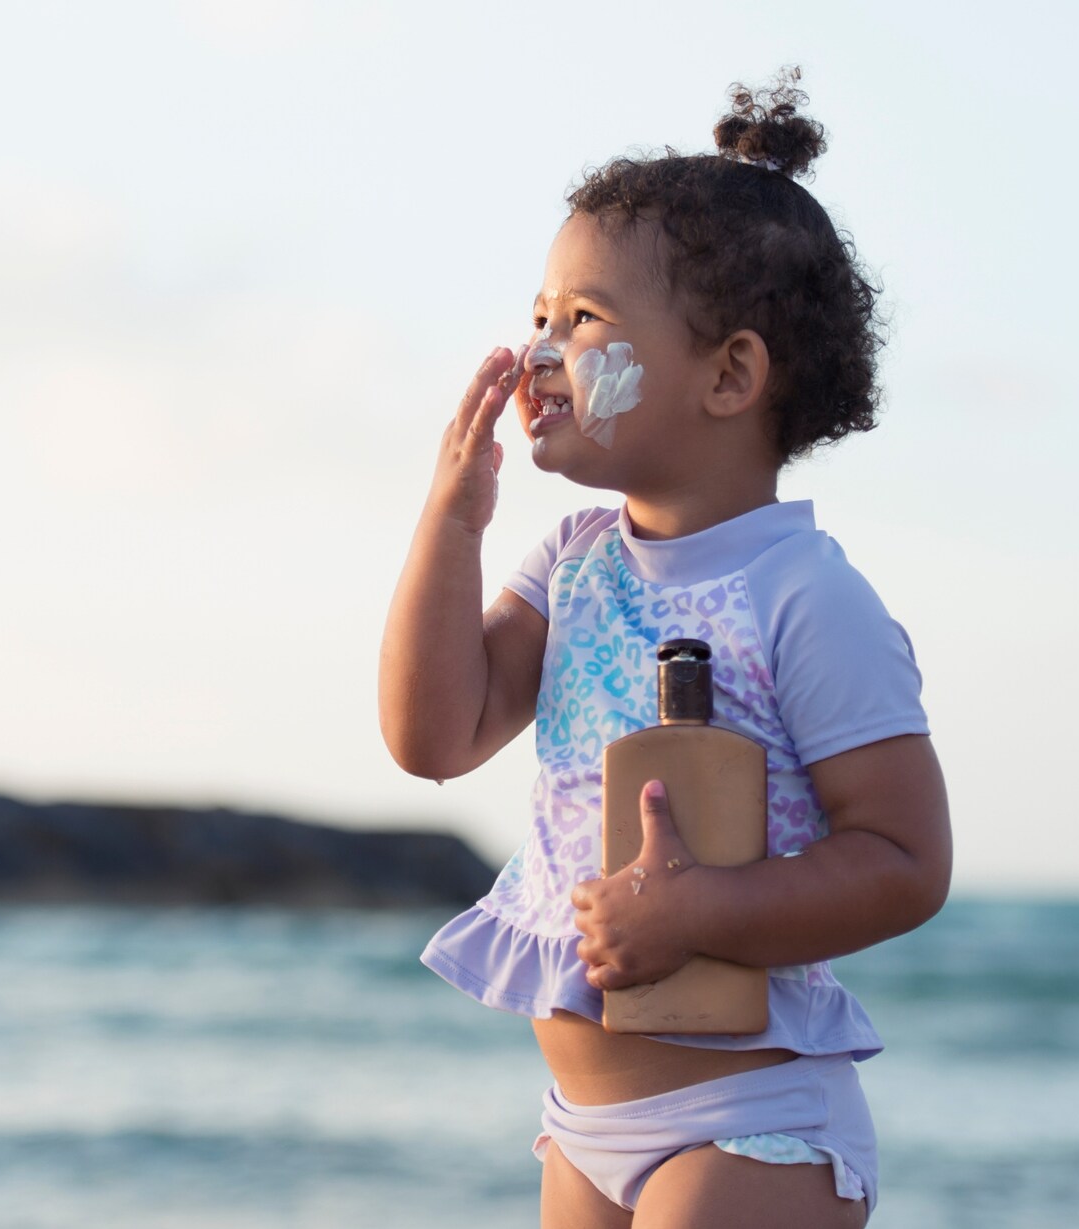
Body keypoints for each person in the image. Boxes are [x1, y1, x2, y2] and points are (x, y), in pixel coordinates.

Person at [378, 71, 952, 1228]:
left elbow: (903, 857)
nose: (539, 348)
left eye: (582, 321)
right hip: (580, 1129)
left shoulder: (805, 597)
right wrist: (451, 521)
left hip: (750, 1122)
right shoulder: (574, 564)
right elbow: (431, 735)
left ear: (729, 376)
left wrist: (700, 914)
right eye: (538, 313)